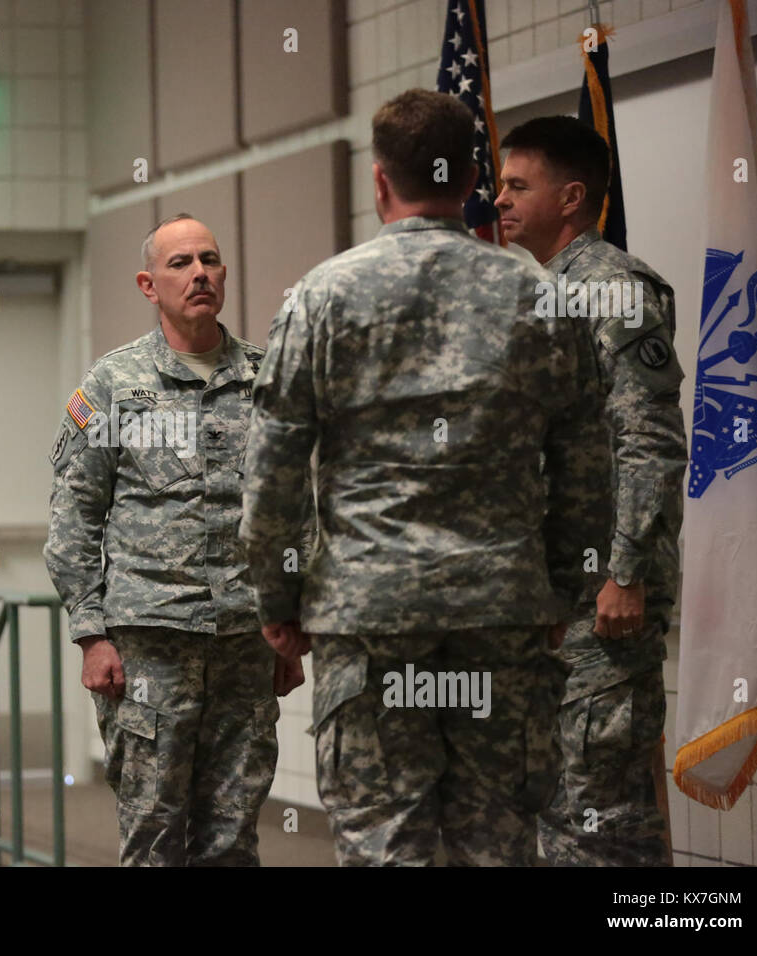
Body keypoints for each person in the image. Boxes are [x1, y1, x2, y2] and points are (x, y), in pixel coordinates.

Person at [239, 89, 611, 866]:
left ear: (380, 183)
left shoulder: (322, 297)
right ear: (474, 175)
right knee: (497, 842)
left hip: (369, 617)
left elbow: (272, 467)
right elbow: (584, 459)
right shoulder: (539, 296)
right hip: (500, 612)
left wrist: (278, 601)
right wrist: (563, 589)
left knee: (385, 843)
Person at [43, 214, 306, 866]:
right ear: (148, 284)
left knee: (233, 839)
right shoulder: (115, 385)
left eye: (210, 260)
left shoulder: (265, 379)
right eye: (181, 263)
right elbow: (74, 515)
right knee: (155, 838)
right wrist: (91, 634)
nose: (199, 274)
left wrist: (288, 619)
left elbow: (294, 509)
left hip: (246, 644)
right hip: (149, 649)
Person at [496, 115, 686, 867]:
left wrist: (627, 571)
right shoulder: (546, 291)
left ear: (571, 196)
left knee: (605, 818)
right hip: (554, 598)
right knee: (563, 811)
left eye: (518, 185)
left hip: (603, 598)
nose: (499, 200)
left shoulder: (608, 290)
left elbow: (651, 439)